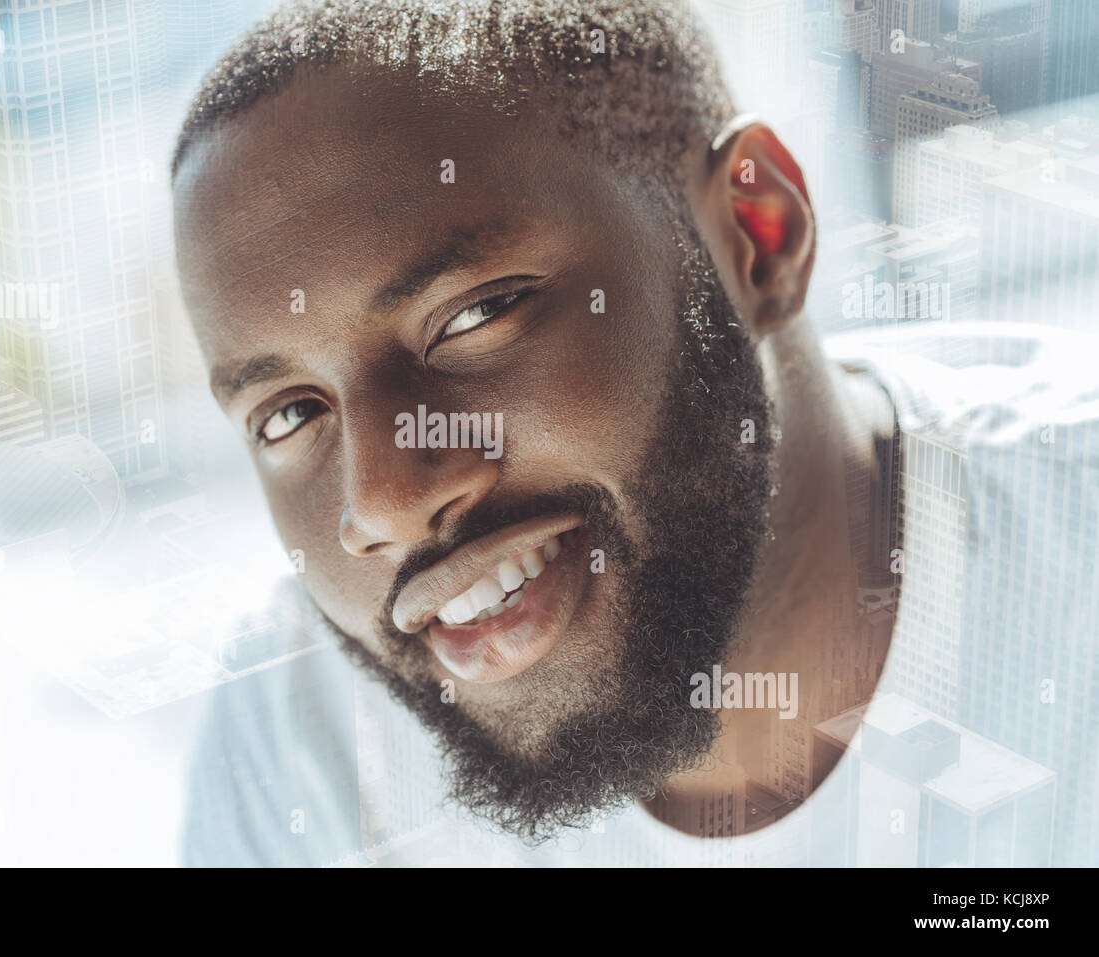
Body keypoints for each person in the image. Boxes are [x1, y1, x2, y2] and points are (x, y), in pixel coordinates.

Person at [170, 0, 1099, 866]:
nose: (382, 500)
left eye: (473, 316)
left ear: (755, 234)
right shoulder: (297, 742)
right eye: (288, 413)